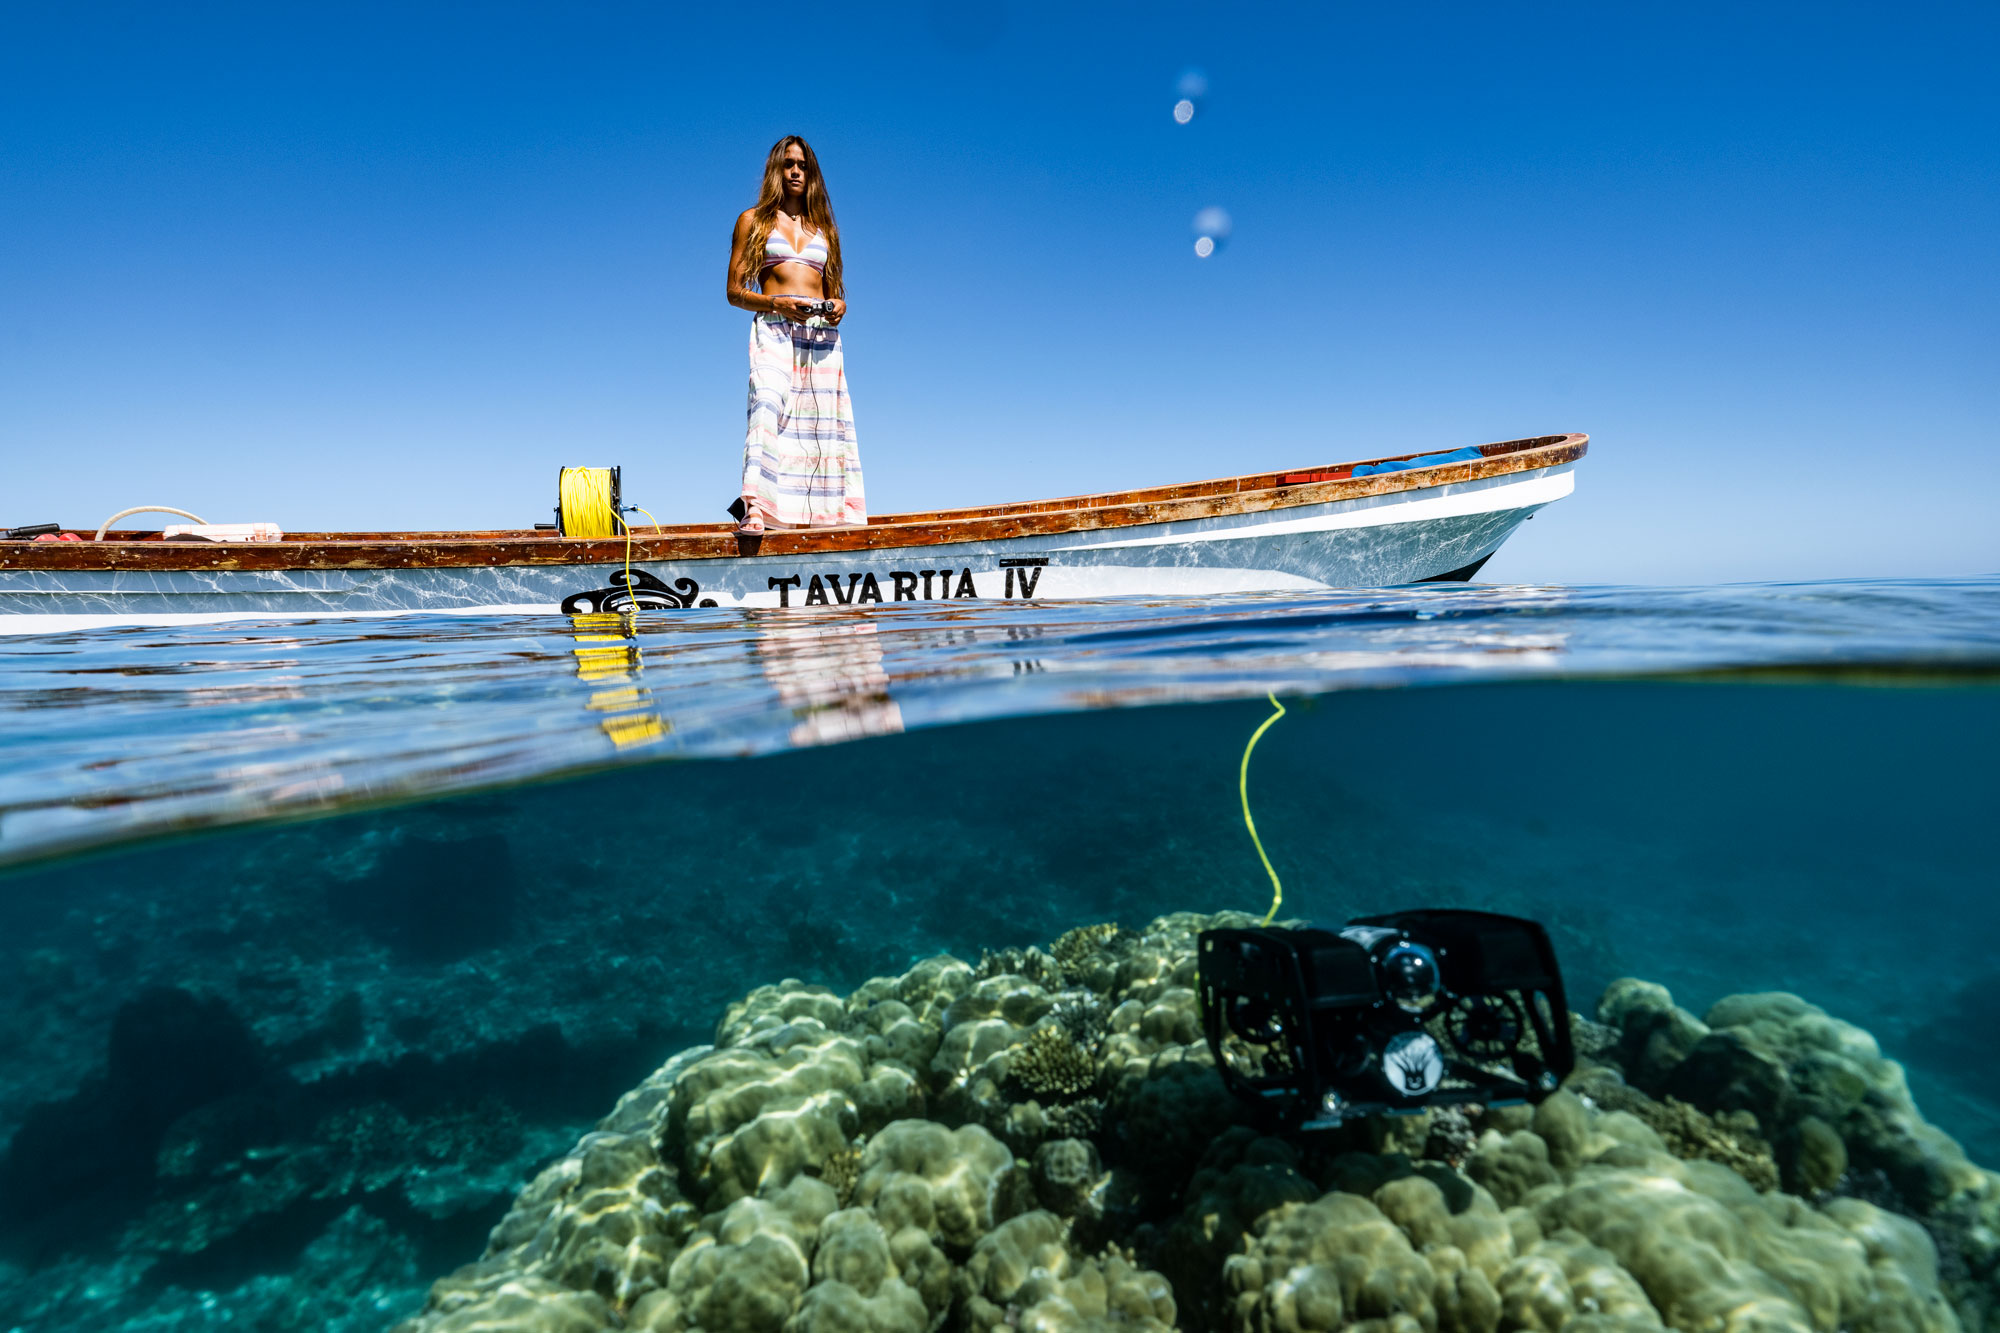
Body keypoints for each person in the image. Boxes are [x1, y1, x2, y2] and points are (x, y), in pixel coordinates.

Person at [725, 136, 864, 535]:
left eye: (803, 165)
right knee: (767, 407)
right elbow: (734, 293)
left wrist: (839, 307)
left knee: (823, 427)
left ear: (813, 173)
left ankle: (826, 518)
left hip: (820, 338)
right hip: (774, 327)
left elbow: (834, 291)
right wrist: (777, 304)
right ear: (776, 171)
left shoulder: (826, 230)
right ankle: (756, 509)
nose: (796, 171)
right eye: (788, 164)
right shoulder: (753, 221)